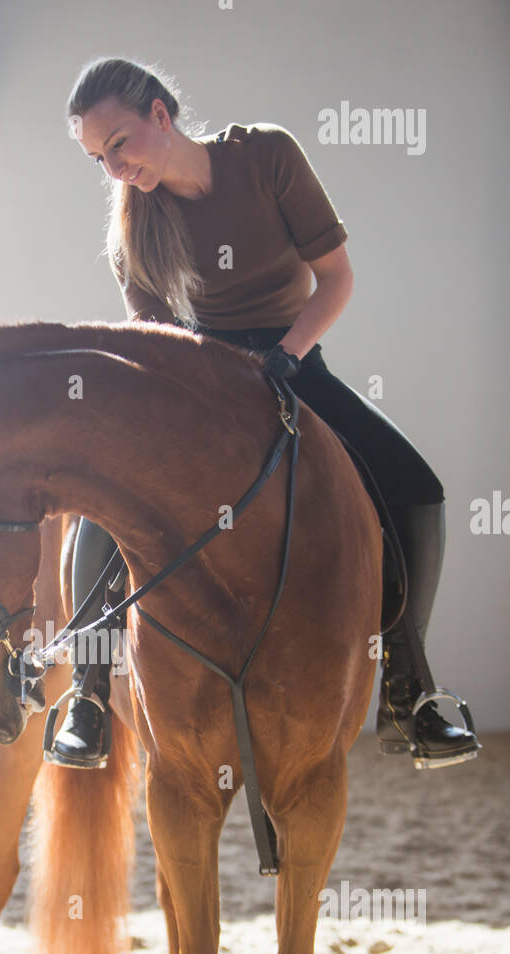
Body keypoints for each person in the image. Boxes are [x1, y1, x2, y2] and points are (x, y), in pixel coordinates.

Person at [49, 55, 479, 772]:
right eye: (98, 158)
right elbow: (155, 338)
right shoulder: (133, 228)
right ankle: (89, 699)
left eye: (118, 144)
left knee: (417, 489)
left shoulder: (269, 156)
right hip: (206, 382)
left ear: (161, 113)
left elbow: (336, 278)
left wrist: (284, 356)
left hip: (295, 362)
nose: (113, 169)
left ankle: (409, 690)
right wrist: (204, 381)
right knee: (101, 508)